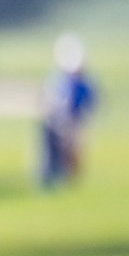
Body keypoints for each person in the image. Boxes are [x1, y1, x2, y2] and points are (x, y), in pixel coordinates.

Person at [37, 33, 97, 189]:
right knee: (59, 151)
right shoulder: (59, 80)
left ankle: (68, 179)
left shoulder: (82, 83)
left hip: (75, 120)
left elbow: (89, 103)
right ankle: (54, 177)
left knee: (74, 152)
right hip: (59, 120)